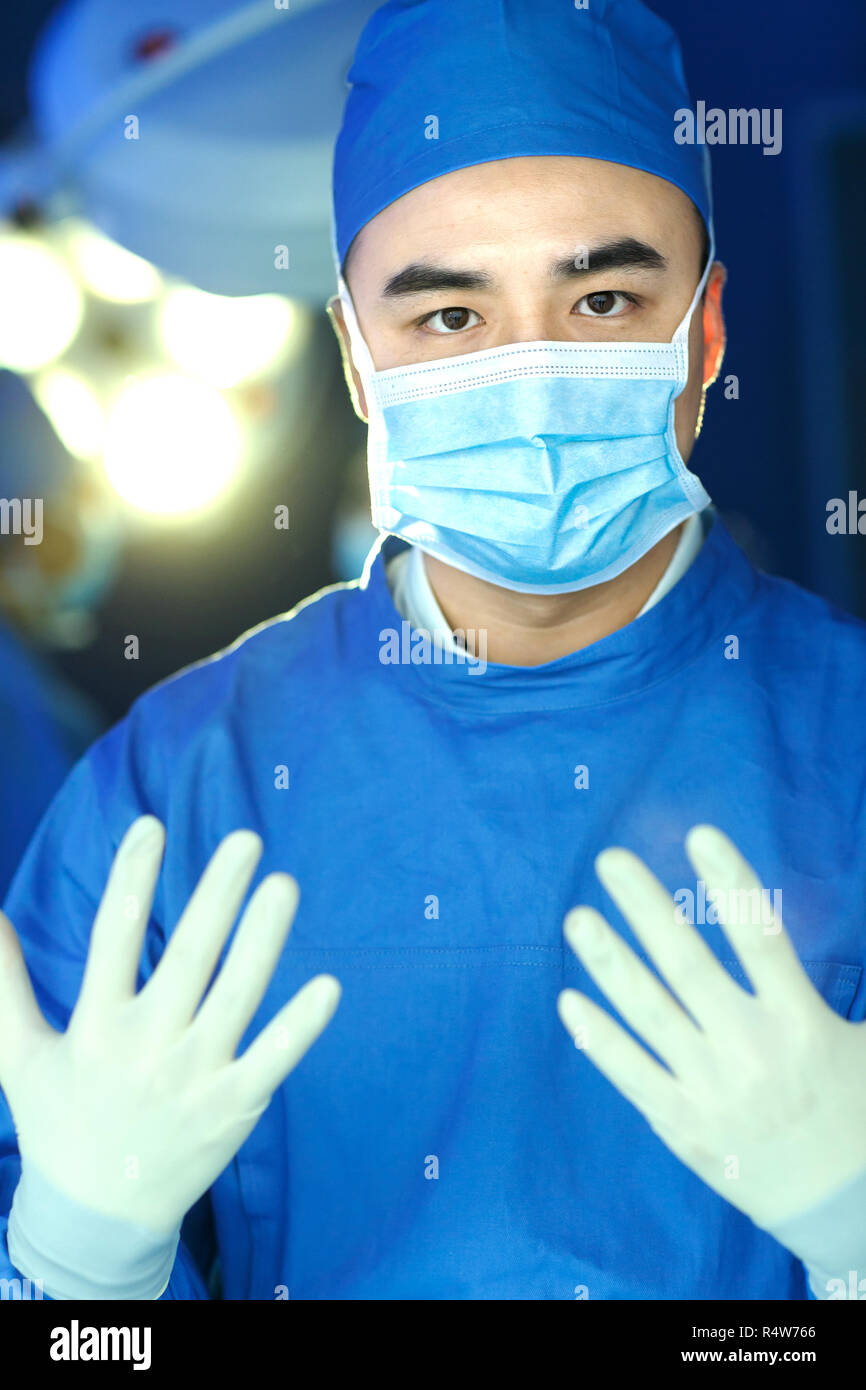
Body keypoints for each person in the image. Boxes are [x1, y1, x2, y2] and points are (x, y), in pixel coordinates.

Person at [1, 0, 865, 1302]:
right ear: (355, 360)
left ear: (706, 336)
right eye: (448, 320)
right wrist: (76, 1270)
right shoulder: (178, 793)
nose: (527, 372)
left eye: (603, 296)